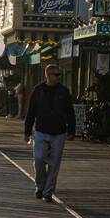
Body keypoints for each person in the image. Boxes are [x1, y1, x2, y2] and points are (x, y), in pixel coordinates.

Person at [23, 64, 75, 203]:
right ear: (47, 75)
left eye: (59, 74)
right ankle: (40, 185)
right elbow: (31, 112)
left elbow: (70, 111)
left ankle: (48, 192)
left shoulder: (64, 91)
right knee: (39, 159)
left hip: (59, 132)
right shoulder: (38, 90)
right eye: (55, 74)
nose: (58, 77)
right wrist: (27, 131)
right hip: (41, 131)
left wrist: (72, 130)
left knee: (54, 163)